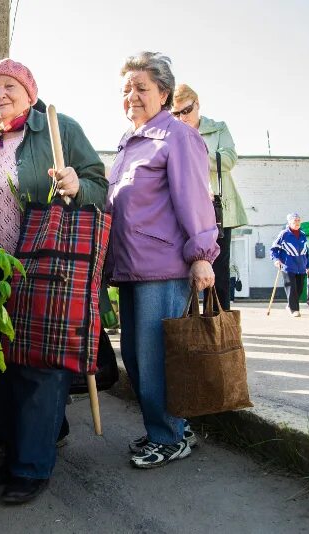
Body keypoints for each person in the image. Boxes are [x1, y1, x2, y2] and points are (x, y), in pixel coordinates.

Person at [0, 58, 108, 503]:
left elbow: (100, 185)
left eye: (9, 86)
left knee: (38, 368)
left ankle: (32, 467)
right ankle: (13, 451)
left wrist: (75, 185)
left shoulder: (58, 126)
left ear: (30, 92)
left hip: (43, 263)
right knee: (0, 366)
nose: (0, 94)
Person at [107, 52, 218, 469]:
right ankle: (170, 427)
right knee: (138, 360)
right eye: (126, 90)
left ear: (164, 93)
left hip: (164, 267)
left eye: (141, 88)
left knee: (156, 360)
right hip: (132, 267)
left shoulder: (177, 136)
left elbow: (194, 200)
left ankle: (170, 437)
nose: (132, 96)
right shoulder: (130, 141)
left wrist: (202, 255)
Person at [171, 83, 248, 311]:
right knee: (184, 268)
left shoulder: (218, 128)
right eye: (176, 113)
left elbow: (230, 158)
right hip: (187, 210)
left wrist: (196, 155)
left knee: (220, 271)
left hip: (218, 210)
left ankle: (219, 326)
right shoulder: (172, 132)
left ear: (197, 105)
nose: (182, 116)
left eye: (186, 110)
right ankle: (189, 325)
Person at [270, 213, 309, 317]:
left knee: (299, 289)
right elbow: (274, 249)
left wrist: (308, 266)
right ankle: (294, 310)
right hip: (288, 266)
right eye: (294, 221)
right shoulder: (284, 234)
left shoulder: (303, 234)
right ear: (289, 222)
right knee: (291, 287)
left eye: (298, 220)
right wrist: (276, 260)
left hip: (301, 267)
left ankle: (290, 305)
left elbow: (306, 252)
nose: (297, 222)